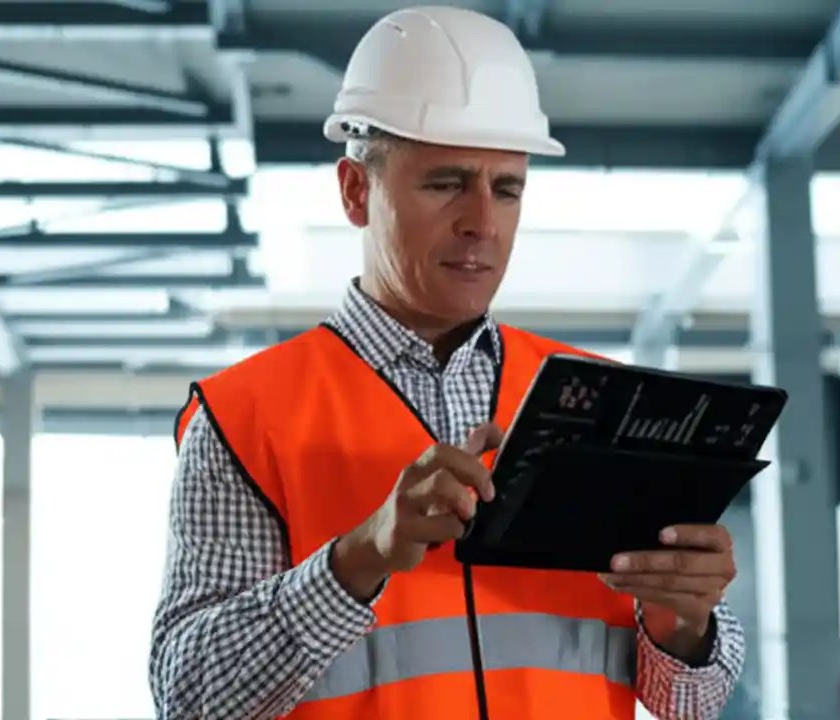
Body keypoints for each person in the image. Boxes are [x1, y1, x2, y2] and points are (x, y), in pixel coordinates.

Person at [149, 6, 743, 719]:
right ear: (355, 190)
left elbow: (690, 702)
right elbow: (189, 699)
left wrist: (687, 624)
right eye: (445, 182)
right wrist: (360, 556)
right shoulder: (244, 420)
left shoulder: (600, 401)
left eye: (507, 189)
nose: (481, 223)